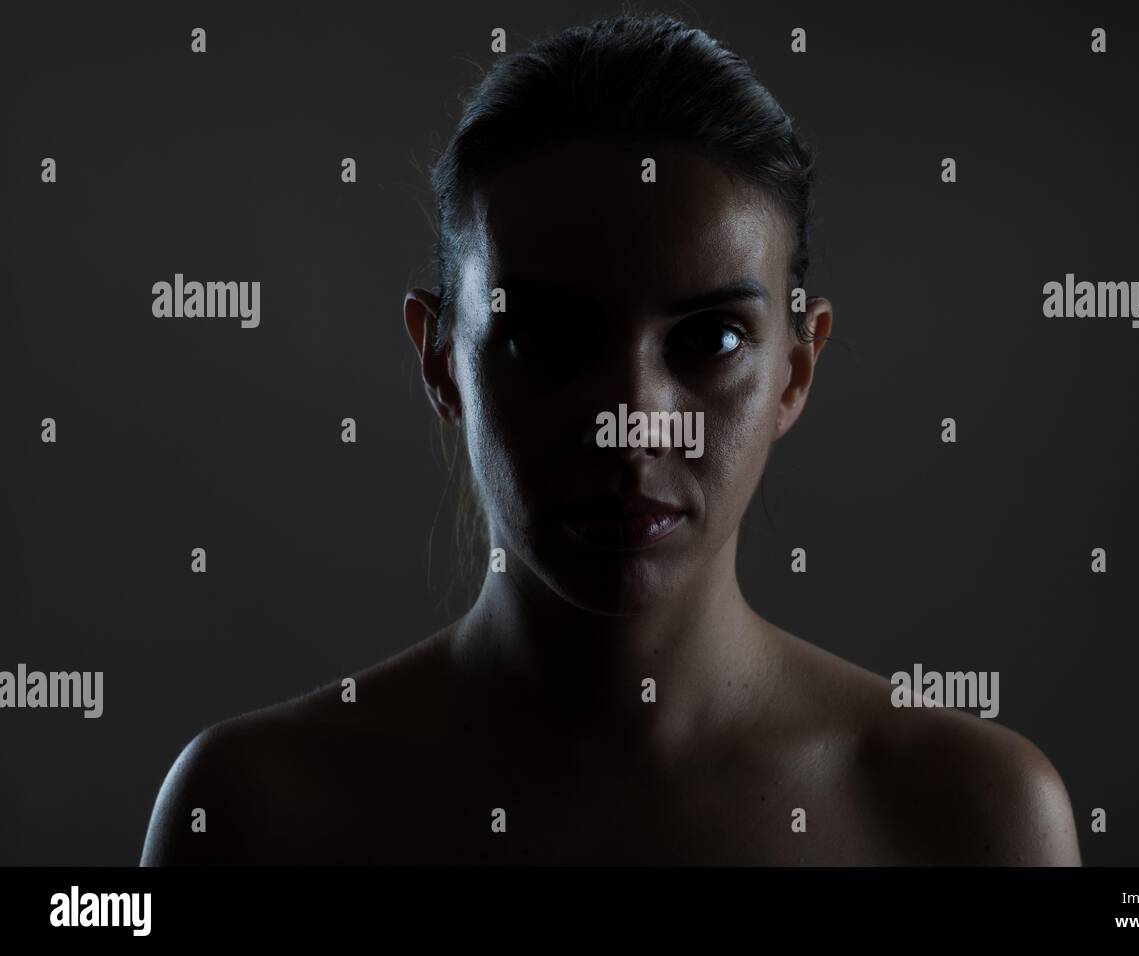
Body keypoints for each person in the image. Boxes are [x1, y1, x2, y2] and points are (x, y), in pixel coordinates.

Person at [141, 12, 1081, 865]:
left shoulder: (971, 817)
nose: (629, 419)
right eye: (546, 337)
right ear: (440, 363)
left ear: (794, 370)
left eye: (709, 339)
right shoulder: (253, 814)